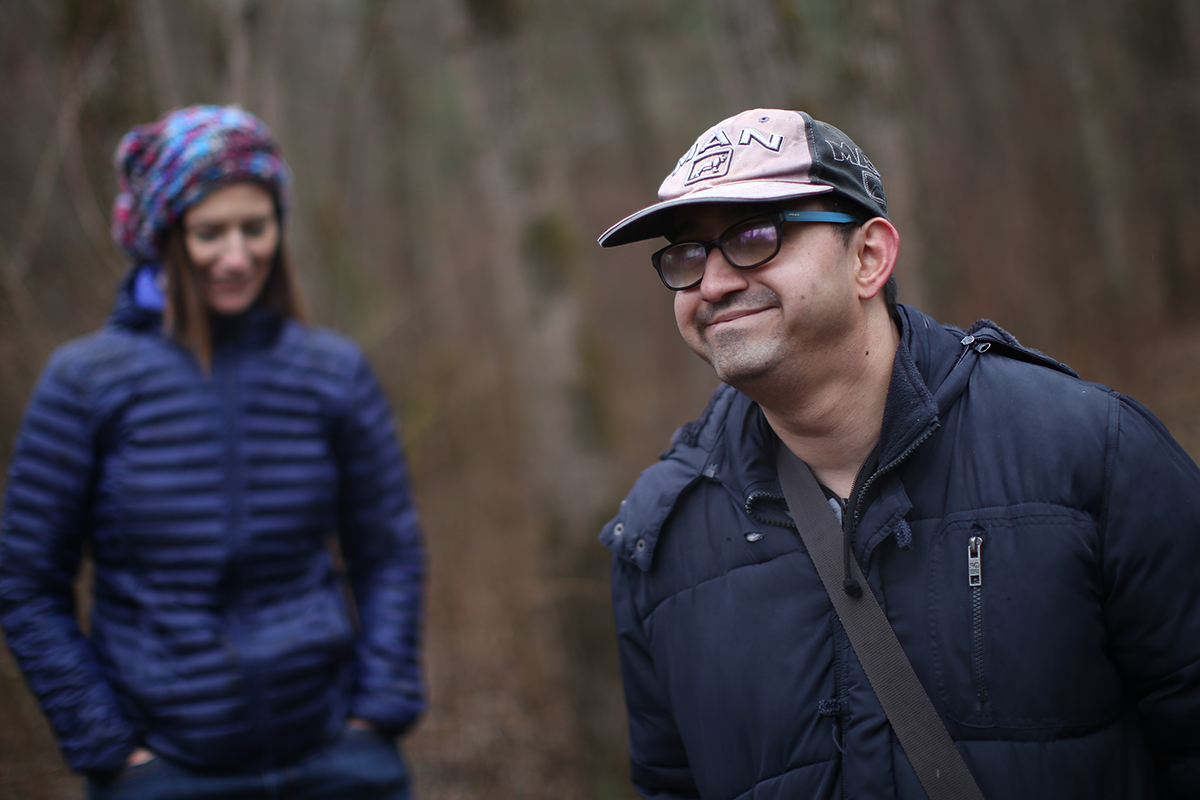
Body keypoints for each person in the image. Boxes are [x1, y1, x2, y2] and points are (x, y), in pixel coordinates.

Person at [595, 108, 1200, 799]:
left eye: (755, 236)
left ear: (870, 258)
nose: (712, 283)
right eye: (687, 254)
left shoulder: (1092, 452)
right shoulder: (657, 538)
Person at [0, 106, 425, 799]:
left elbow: (388, 551)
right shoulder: (85, 383)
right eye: (209, 232)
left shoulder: (332, 371)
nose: (237, 255)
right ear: (161, 236)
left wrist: (378, 712)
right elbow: (26, 584)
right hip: (165, 773)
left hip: (338, 763)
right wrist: (110, 751)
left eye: (255, 228)